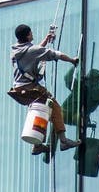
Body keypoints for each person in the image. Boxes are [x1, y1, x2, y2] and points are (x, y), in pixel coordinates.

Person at [7, 23, 81, 156]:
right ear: (29, 35)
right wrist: (72, 60)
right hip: (30, 88)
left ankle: (37, 145)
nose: (32, 34)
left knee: (41, 109)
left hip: (19, 90)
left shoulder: (15, 50)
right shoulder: (32, 51)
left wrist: (46, 40)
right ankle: (63, 141)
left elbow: (32, 52)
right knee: (55, 107)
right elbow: (55, 54)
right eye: (31, 32)